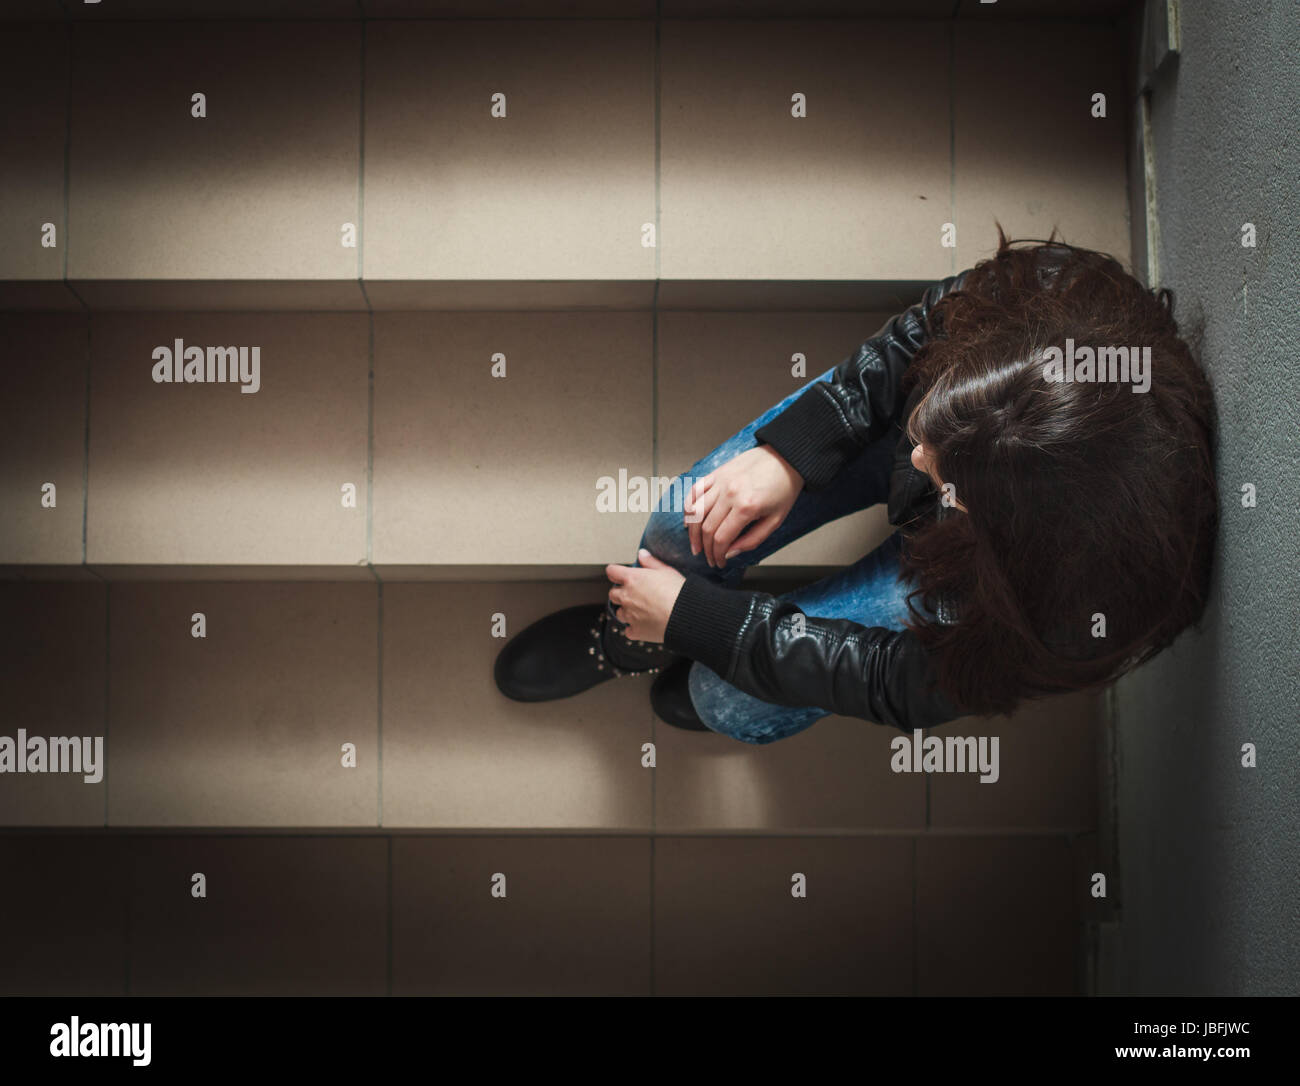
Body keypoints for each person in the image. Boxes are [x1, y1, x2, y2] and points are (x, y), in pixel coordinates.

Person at [493, 232, 1219, 744]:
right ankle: (629, 646)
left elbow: (902, 684)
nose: (917, 452)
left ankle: (687, 664)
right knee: (675, 532)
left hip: (974, 586)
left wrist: (699, 625)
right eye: (932, 423)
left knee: (726, 699)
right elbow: (913, 341)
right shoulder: (1062, 305)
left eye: (944, 472)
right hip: (970, 491)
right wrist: (798, 454)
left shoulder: (1073, 614)